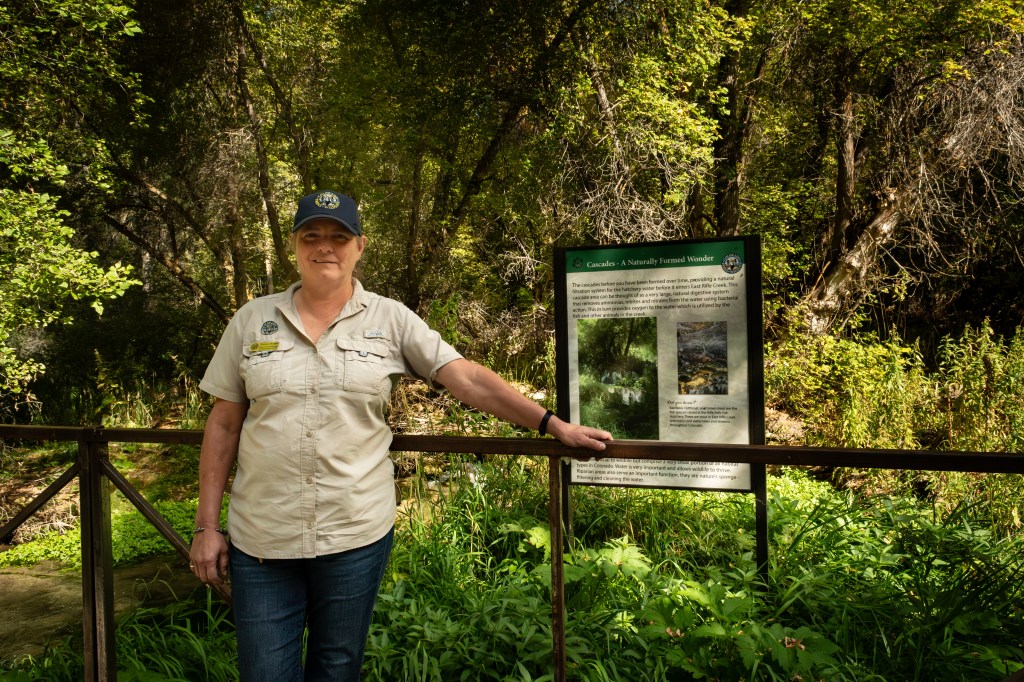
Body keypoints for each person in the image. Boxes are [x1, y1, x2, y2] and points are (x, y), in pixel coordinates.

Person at [189, 189, 612, 681]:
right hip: (262, 538)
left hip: (354, 533)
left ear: (359, 247)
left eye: (338, 237)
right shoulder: (251, 320)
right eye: (312, 235)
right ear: (294, 245)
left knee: (337, 666)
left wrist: (551, 423)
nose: (325, 246)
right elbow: (222, 424)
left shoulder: (390, 319)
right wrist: (207, 526)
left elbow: (468, 379)